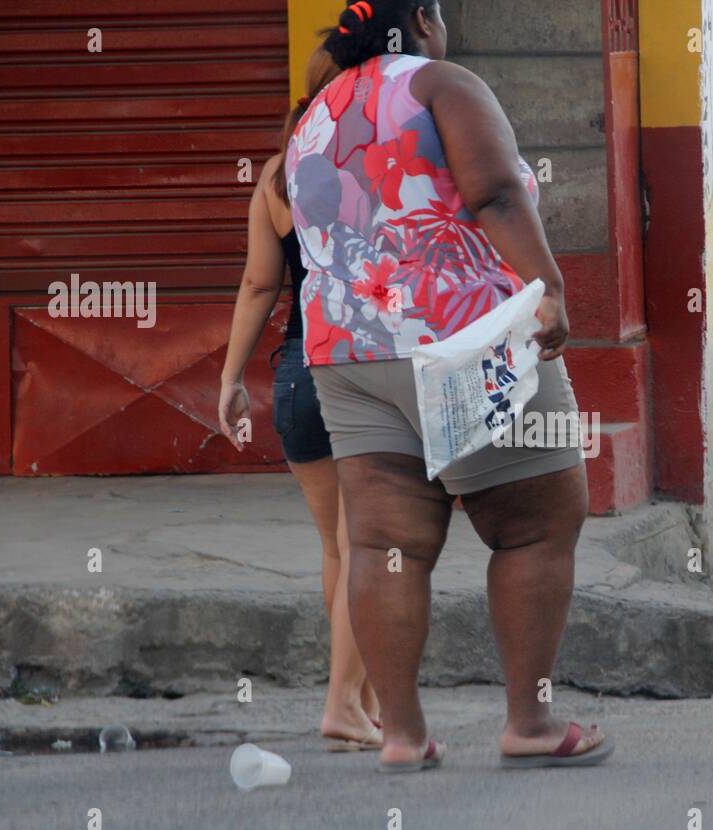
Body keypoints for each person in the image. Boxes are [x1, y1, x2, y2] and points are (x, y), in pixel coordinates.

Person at [285, 0, 612, 772]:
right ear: (425, 18)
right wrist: (551, 287)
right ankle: (528, 723)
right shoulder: (440, 83)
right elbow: (494, 192)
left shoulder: (313, 116)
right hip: (466, 336)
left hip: (347, 351)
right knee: (536, 522)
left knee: (383, 541)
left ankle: (401, 735)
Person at [218, 46, 382, 751]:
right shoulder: (375, 162)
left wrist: (228, 378)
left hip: (295, 379)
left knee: (340, 551)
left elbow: (259, 285)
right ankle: (343, 704)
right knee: (367, 545)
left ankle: (364, 702)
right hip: (358, 370)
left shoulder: (277, 177)